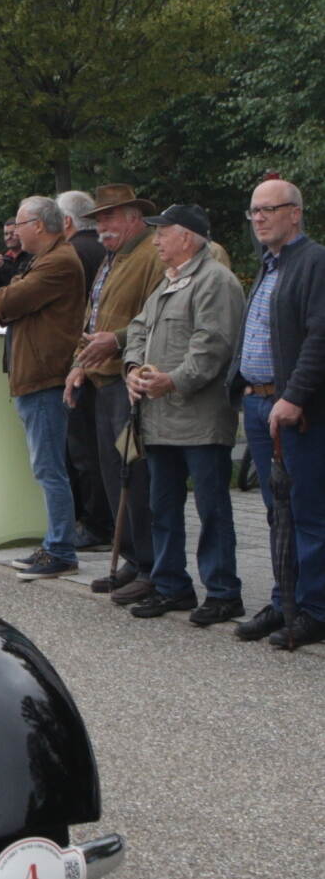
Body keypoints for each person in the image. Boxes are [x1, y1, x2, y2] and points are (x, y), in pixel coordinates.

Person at [120, 204, 245, 623]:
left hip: (201, 421)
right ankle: (172, 586)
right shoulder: (169, 282)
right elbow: (138, 328)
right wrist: (134, 369)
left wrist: (172, 380)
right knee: (163, 507)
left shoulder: (215, 281)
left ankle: (224, 592)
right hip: (160, 420)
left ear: (188, 238)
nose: (155, 240)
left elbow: (212, 346)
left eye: (162, 233)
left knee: (212, 510)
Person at [230, 176, 325, 648]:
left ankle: (315, 609)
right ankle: (284, 599)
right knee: (275, 513)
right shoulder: (268, 266)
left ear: (295, 213)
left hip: (295, 410)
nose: (260, 218)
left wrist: (295, 396)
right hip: (259, 403)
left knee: (308, 512)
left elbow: (319, 337)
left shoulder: (314, 262)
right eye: (254, 211)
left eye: (270, 209)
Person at [65, 185, 168, 605]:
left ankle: (151, 564)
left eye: (109, 218)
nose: (101, 227)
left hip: (127, 380)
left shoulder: (150, 255)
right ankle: (132, 556)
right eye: (98, 220)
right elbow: (93, 319)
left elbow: (155, 318)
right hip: (101, 379)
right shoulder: (114, 256)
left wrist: (118, 342)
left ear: (133, 217)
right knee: (114, 475)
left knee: (134, 476)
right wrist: (78, 364)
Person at [0, 196, 87, 580]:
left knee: (49, 467)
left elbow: (6, 300)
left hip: (45, 375)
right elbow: (11, 299)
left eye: (20, 222)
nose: (14, 230)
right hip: (36, 374)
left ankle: (61, 548)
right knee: (46, 465)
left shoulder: (58, 262)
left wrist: (12, 287)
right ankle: (56, 542)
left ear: (40, 225)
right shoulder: (45, 260)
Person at [54, 189, 114, 547]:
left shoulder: (72, 252)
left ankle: (94, 522)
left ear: (65, 221)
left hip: (83, 359)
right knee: (96, 448)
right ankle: (99, 520)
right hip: (96, 358)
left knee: (82, 450)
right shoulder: (106, 254)